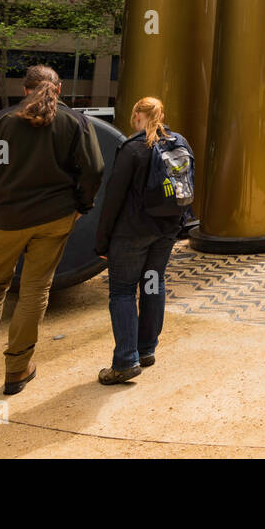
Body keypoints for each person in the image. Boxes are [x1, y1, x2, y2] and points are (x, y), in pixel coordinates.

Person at [0, 65, 104, 396]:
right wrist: (80, 207)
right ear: (60, 89)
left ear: (23, 88)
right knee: (35, 291)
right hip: (54, 220)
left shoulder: (0, 121)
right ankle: (17, 370)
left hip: (6, 220)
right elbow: (95, 169)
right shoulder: (75, 122)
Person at [94, 97, 194, 385]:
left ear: (137, 114)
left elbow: (112, 199)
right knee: (153, 282)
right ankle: (146, 349)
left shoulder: (133, 148)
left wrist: (102, 242)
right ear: (161, 115)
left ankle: (125, 361)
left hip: (132, 233)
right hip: (166, 230)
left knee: (123, 291)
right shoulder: (179, 141)